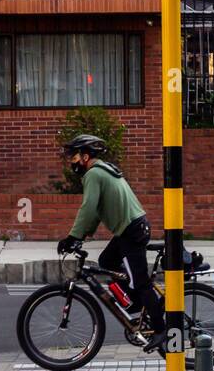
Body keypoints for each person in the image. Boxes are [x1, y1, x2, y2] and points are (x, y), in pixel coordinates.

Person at [56, 135, 165, 349]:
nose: (72, 162)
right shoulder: (103, 171)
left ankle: (161, 330)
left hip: (132, 231)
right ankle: (138, 304)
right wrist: (82, 236)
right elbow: (95, 211)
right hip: (130, 229)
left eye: (74, 156)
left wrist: (72, 237)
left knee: (140, 282)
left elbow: (87, 207)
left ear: (85, 156)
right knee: (106, 261)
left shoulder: (93, 174)